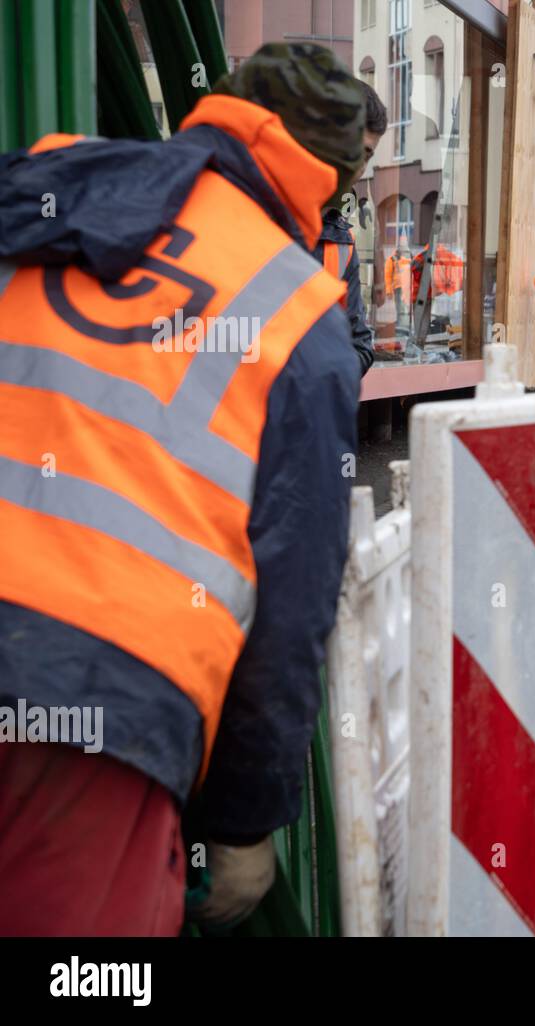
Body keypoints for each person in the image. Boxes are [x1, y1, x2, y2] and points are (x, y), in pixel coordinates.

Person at [0, 43, 367, 936]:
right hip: (95, 705)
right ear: (329, 179)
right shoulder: (299, 318)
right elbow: (291, 606)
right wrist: (244, 823)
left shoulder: (51, 183)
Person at [313, 81, 387, 376]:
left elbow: (360, 346)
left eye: (366, 154)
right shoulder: (251, 218)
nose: (357, 165)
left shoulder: (340, 243)